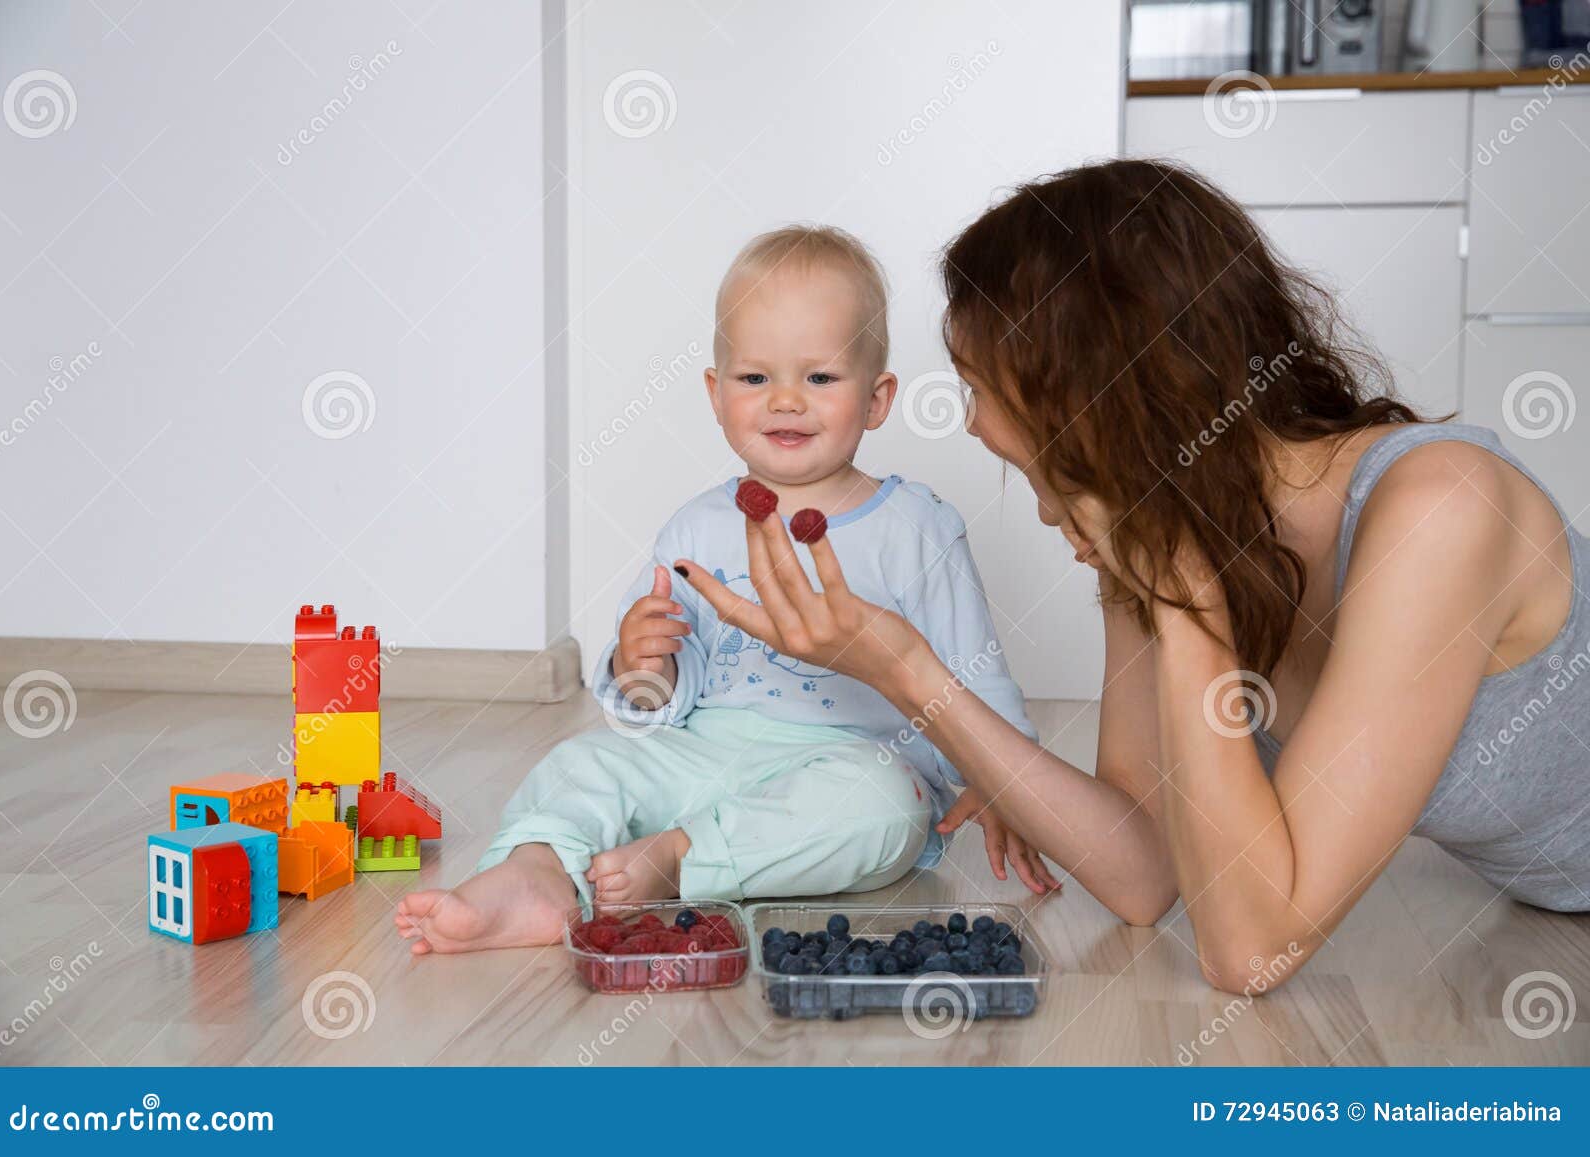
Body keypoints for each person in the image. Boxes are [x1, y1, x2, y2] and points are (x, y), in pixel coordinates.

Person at [675, 160, 1590, 993]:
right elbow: (1144, 872)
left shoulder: (1438, 507)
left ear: (1087, 393)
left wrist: (1183, 597)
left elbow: (1250, 950)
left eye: (978, 383)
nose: (971, 423)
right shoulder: (1161, 538)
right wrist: (910, 672)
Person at [395, 225, 1042, 955]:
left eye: (821, 378)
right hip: (701, 756)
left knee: (886, 811)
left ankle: (679, 861)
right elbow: (656, 699)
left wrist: (1005, 783)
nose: (786, 400)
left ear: (877, 397)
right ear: (716, 391)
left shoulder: (917, 527)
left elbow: (977, 675)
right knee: (582, 763)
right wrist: (642, 664)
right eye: (755, 378)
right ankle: (537, 871)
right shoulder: (697, 526)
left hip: (846, 762)